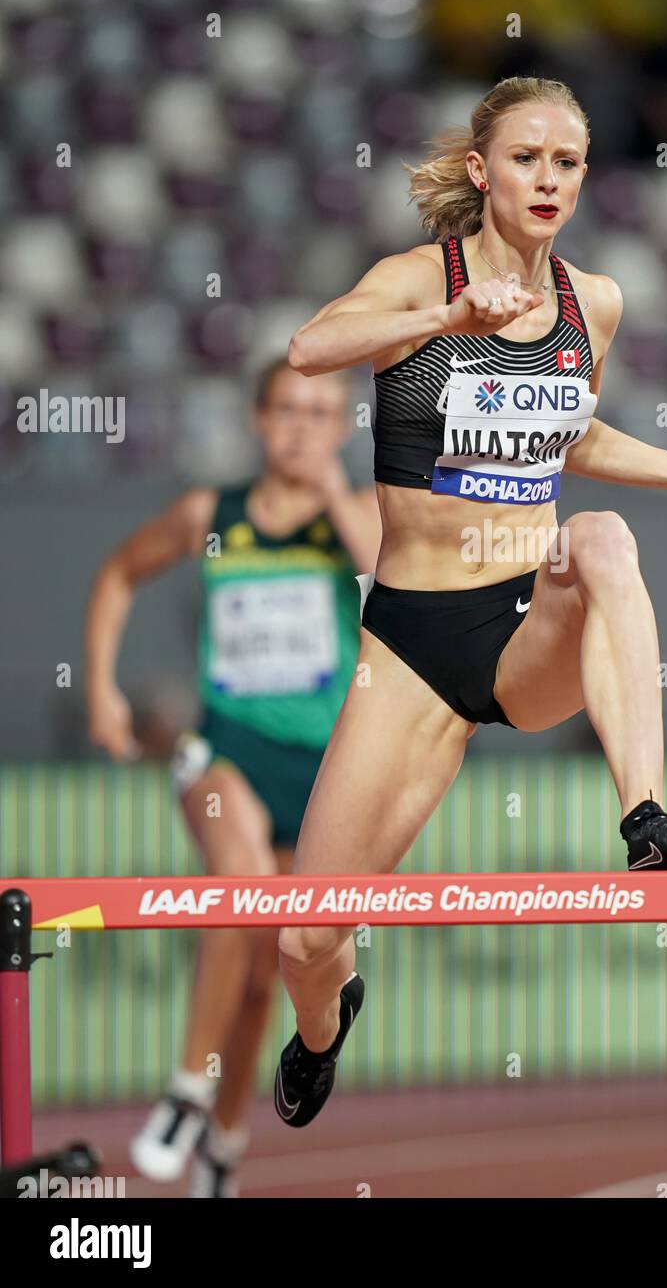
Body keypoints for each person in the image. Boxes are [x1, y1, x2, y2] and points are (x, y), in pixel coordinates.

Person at [272, 75, 667, 1128]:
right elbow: (306, 351)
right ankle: (325, 1024)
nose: (548, 178)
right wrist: (445, 316)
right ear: (482, 170)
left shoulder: (590, 301)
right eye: (526, 158)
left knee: (600, 537)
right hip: (412, 645)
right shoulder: (419, 275)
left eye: (566, 162)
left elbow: (579, 435)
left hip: (524, 624)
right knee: (305, 936)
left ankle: (644, 817)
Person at [84, 359, 381, 1193]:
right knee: (237, 884)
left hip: (321, 776)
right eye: (287, 409)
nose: (302, 427)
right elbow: (116, 574)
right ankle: (185, 1091)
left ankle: (224, 1139)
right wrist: (103, 689)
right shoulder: (209, 515)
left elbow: (392, 587)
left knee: (265, 970)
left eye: (323, 413)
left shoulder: (355, 519)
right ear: (258, 420)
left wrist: (333, 496)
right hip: (225, 749)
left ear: (341, 431)